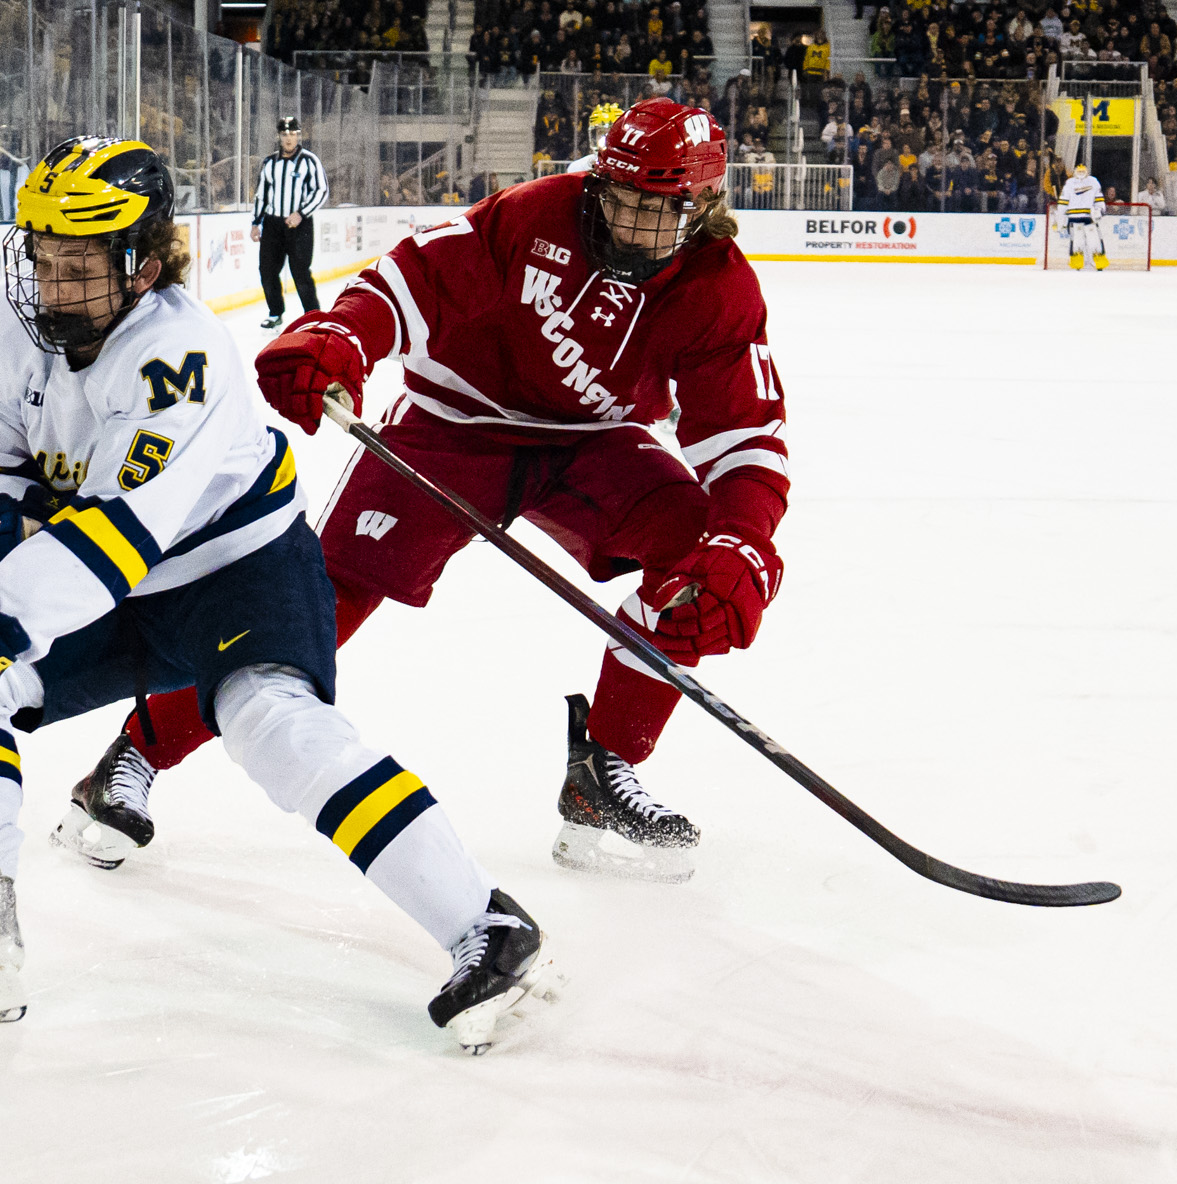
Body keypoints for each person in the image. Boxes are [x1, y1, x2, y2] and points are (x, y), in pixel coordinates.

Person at [0, 137, 552, 1049]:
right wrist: (1, 551)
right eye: (42, 260)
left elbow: (117, 538)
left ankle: (485, 926)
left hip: (237, 571)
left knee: (274, 727)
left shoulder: (176, 355)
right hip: (104, 573)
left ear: (141, 267)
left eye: (78, 269)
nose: (51, 287)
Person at [66, 97, 786, 885]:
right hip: (453, 424)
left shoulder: (718, 290)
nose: (625, 220)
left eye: (653, 209)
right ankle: (132, 758)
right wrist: (343, 334)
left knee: (701, 562)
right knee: (311, 606)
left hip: (592, 445)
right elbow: (414, 279)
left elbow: (747, 439)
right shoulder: (537, 215)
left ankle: (601, 775)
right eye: (618, 197)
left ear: (702, 207)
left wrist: (743, 539)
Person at [250, 113, 327, 330]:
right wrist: (256, 223)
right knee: (267, 270)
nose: (289, 138)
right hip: (273, 225)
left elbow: (321, 190)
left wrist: (301, 213)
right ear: (279, 137)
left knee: (300, 272)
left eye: (293, 134)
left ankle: (313, 315)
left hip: (299, 226)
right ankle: (275, 313)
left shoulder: (309, 161)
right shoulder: (269, 163)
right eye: (285, 134)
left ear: (298, 136)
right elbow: (262, 195)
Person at [1055, 160, 1108, 269]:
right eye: (1078, 171)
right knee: (1077, 240)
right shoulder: (1070, 183)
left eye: (1082, 171)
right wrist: (1060, 218)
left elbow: (1099, 199)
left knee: (1094, 239)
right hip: (1073, 217)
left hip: (1089, 216)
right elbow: (1063, 201)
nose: (1081, 173)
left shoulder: (1093, 181)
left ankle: (1099, 259)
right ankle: (1076, 260)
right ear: (1075, 172)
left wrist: (1099, 210)